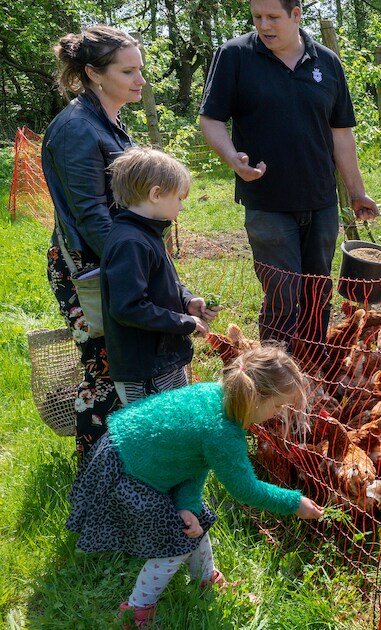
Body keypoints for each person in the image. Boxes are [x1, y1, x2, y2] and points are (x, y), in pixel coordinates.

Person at [66, 344, 325, 628]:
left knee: (193, 522)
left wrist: (187, 504)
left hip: (131, 455)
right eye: (277, 406)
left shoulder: (215, 396)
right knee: (175, 542)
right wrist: (294, 503)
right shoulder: (223, 431)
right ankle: (136, 611)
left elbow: (195, 460)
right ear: (256, 397)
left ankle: (205, 580)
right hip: (129, 471)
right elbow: (245, 489)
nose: (278, 413)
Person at [198, 0, 379, 365]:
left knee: (317, 293)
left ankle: (311, 367)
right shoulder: (235, 56)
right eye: (257, 17)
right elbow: (211, 119)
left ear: (296, 14)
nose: (264, 25)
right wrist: (233, 159)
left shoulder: (327, 62)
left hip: (321, 201)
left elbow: (341, 133)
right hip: (267, 202)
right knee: (283, 295)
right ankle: (273, 374)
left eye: (273, 17)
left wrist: (357, 191)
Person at [42, 25, 143, 457]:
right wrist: (136, 266)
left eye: (140, 69)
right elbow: (91, 216)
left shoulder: (108, 120)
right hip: (88, 267)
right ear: (93, 73)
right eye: (128, 71)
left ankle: (132, 467)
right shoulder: (77, 129)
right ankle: (96, 475)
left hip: (114, 259)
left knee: (126, 365)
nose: (140, 80)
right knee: (104, 370)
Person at [102, 147, 219, 404]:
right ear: (156, 194)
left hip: (162, 359)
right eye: (179, 198)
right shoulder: (131, 243)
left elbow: (164, 284)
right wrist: (183, 322)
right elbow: (128, 307)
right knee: (158, 425)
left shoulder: (146, 233)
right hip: (146, 368)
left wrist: (187, 300)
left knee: (177, 419)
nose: (181, 206)